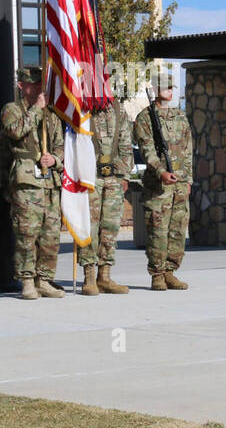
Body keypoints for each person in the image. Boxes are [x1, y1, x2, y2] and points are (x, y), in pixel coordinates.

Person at [0, 67, 65, 299]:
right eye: (32, 84)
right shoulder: (12, 110)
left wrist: (54, 158)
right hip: (26, 180)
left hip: (50, 182)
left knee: (50, 233)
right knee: (27, 233)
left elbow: (60, 144)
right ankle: (27, 280)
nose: (38, 88)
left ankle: (44, 279)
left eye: (40, 84)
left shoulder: (51, 114)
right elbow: (16, 132)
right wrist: (36, 108)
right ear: (21, 86)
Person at [133, 65, 193, 290]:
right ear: (156, 89)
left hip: (179, 184)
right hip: (159, 185)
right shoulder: (145, 118)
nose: (170, 91)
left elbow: (188, 150)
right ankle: (157, 274)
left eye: (172, 87)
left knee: (177, 230)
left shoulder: (179, 116)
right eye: (166, 87)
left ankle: (170, 271)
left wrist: (188, 181)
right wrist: (161, 172)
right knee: (157, 230)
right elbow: (147, 150)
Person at [78, 84, 133, 294]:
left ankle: (105, 275)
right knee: (90, 226)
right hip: (90, 175)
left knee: (110, 227)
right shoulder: (83, 108)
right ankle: (89, 276)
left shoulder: (118, 109)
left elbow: (126, 143)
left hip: (114, 177)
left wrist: (125, 175)